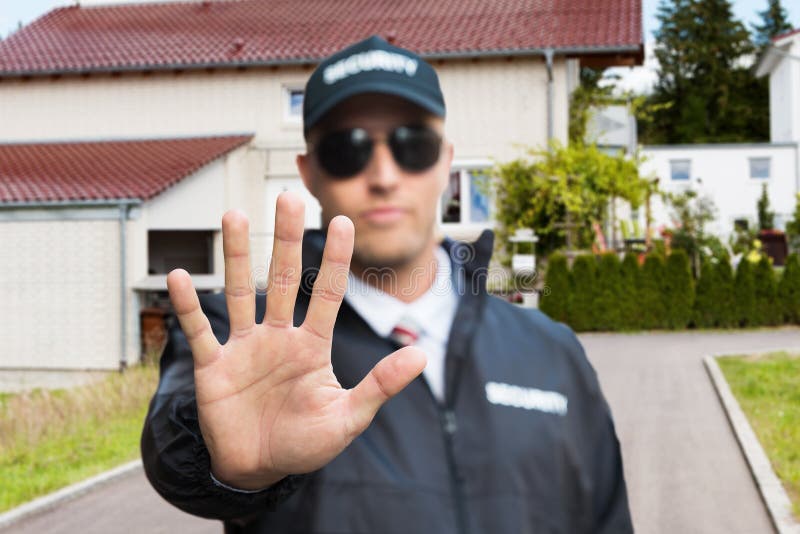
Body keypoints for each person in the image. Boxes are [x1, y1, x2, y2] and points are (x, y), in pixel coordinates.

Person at [141, 35, 633, 534]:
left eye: (412, 145)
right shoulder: (239, 339)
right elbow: (175, 450)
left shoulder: (553, 352)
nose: (383, 175)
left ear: (446, 161)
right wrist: (234, 469)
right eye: (347, 149)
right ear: (309, 173)